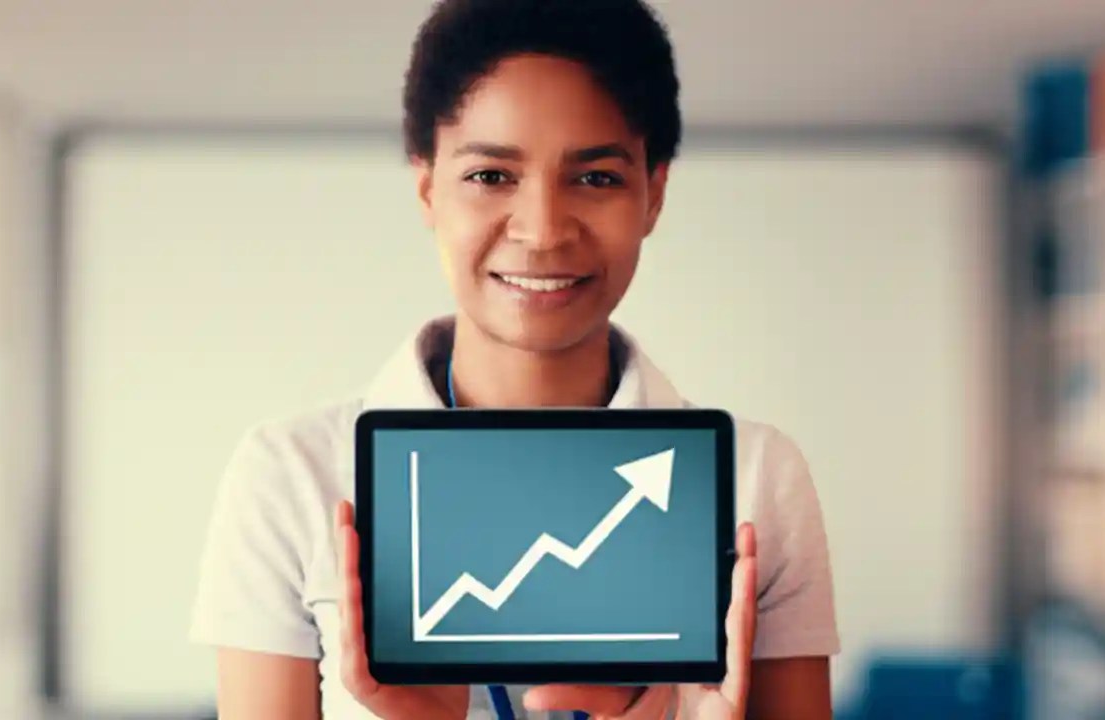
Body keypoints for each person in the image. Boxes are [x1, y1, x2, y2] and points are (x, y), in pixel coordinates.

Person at [189, 0, 840, 717]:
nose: (542, 231)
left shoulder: (755, 479)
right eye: (492, 177)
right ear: (428, 187)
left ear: (654, 193)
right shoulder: (292, 477)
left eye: (595, 178)